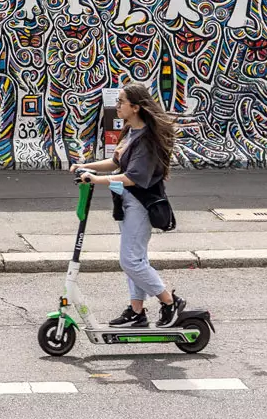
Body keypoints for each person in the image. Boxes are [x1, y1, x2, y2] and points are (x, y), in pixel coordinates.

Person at [75, 84, 185, 328]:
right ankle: (137, 311)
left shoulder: (146, 140)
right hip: (126, 202)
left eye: (122, 102)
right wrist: (88, 167)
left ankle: (169, 302)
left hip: (141, 205)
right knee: (136, 259)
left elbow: (131, 177)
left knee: (130, 261)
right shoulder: (131, 132)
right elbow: (116, 162)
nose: (118, 106)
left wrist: (95, 179)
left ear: (135, 107)